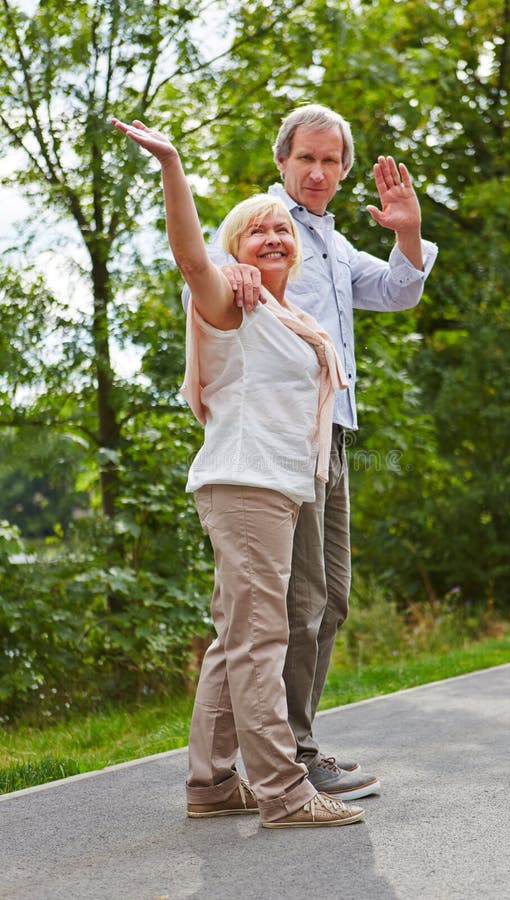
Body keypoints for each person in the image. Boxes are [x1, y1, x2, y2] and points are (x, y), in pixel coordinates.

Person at [111, 115, 365, 829]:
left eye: (283, 230)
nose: (276, 237)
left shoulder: (288, 319)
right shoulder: (232, 303)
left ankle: (212, 782)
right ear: (237, 249)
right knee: (262, 638)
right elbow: (193, 260)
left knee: (234, 637)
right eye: (258, 232)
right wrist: (172, 165)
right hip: (247, 484)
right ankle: (284, 794)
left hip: (274, 488)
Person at [183, 103, 438, 801]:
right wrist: (233, 269)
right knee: (293, 605)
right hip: (278, 439)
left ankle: (237, 764)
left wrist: (409, 234)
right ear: (283, 162)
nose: (320, 173)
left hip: (333, 430)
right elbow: (212, 268)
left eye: (332, 162)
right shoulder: (266, 231)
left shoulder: (331, 245)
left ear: (345, 170)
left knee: (330, 599)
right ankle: (294, 755)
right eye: (308, 159)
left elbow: (395, 291)